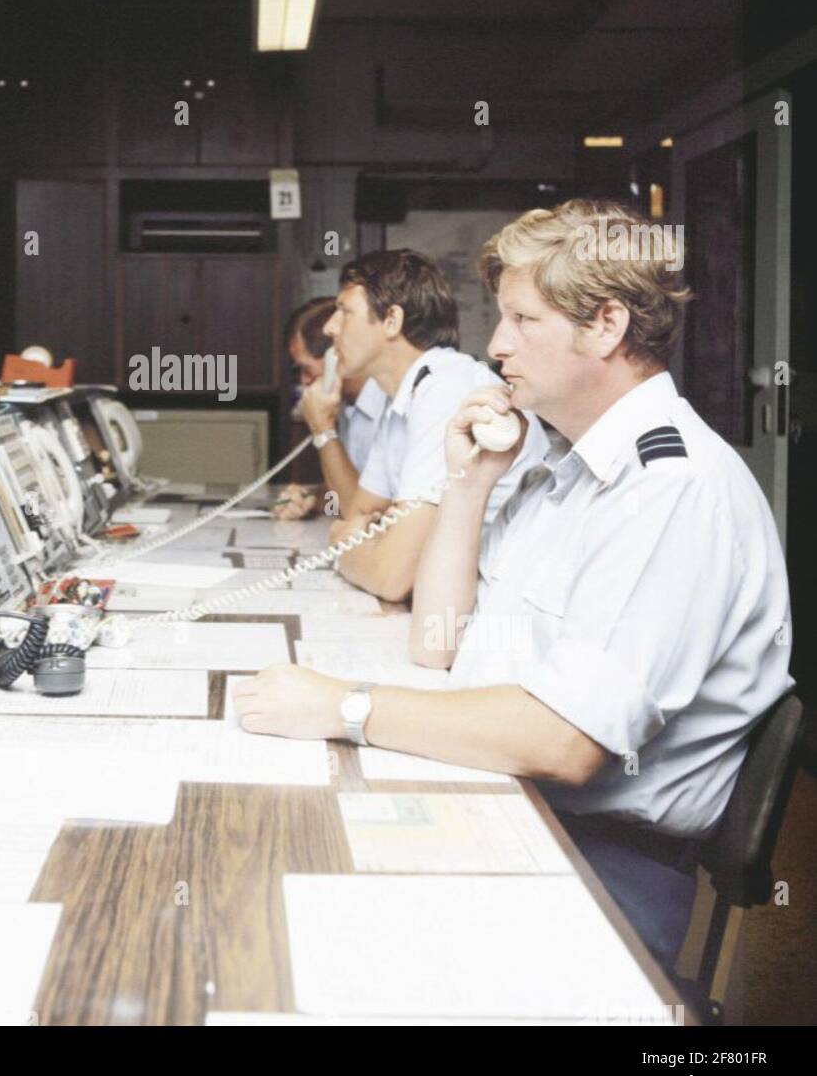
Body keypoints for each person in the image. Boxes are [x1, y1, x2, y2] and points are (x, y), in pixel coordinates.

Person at [231, 199, 793, 974]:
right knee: (275, 869)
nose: (497, 347)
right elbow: (438, 646)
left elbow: (565, 743)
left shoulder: (671, 490)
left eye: (523, 320)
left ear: (605, 326)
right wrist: (468, 484)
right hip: (510, 800)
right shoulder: (561, 467)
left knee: (291, 935)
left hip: (596, 859)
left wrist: (346, 706)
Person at [304, 250, 542, 602]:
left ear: (391, 320)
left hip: (495, 610)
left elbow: (393, 577)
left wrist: (343, 552)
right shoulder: (404, 395)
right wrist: (361, 540)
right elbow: (358, 512)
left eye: (345, 311)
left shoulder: (446, 389)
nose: (330, 327)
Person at [275, 297, 385, 520]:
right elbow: (344, 498)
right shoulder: (346, 407)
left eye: (306, 369)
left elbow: (363, 513)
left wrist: (322, 429)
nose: (304, 381)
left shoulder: (386, 406)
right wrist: (313, 498)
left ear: (335, 356)